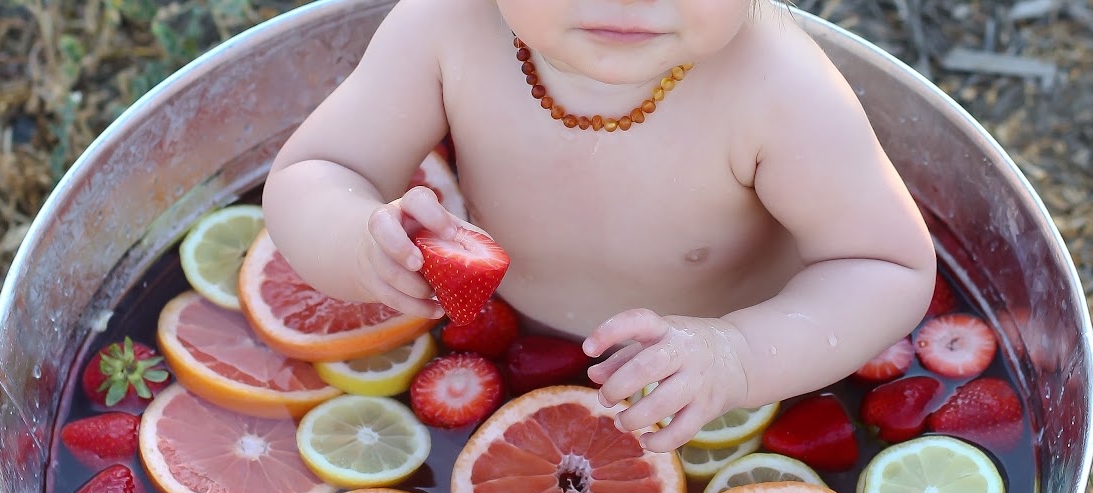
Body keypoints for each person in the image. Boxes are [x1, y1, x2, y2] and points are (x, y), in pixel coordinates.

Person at [261, 0, 936, 452]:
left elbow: (884, 265)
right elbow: (317, 169)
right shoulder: (445, 27)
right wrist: (356, 243)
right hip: (505, 334)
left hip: (736, 385)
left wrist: (741, 356)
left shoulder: (777, 88)